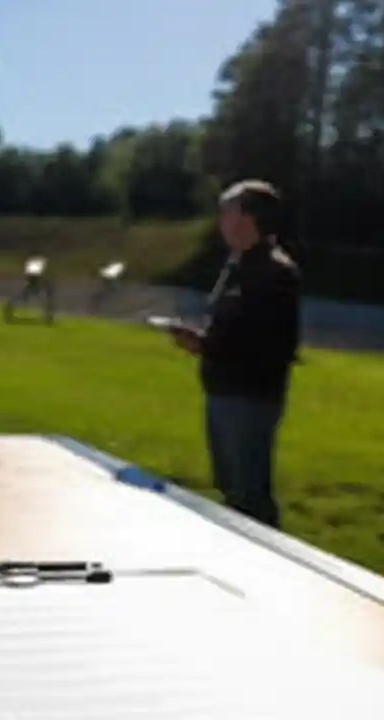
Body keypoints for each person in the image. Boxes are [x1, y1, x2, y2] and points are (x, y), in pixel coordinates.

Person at [169, 180, 300, 529]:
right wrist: (202, 341)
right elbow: (229, 327)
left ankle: (270, 564)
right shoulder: (237, 266)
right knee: (230, 489)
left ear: (248, 218)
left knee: (250, 496)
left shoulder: (275, 272)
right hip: (222, 390)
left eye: (228, 211)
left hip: (250, 398)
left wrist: (206, 345)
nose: (221, 220)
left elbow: (269, 345)